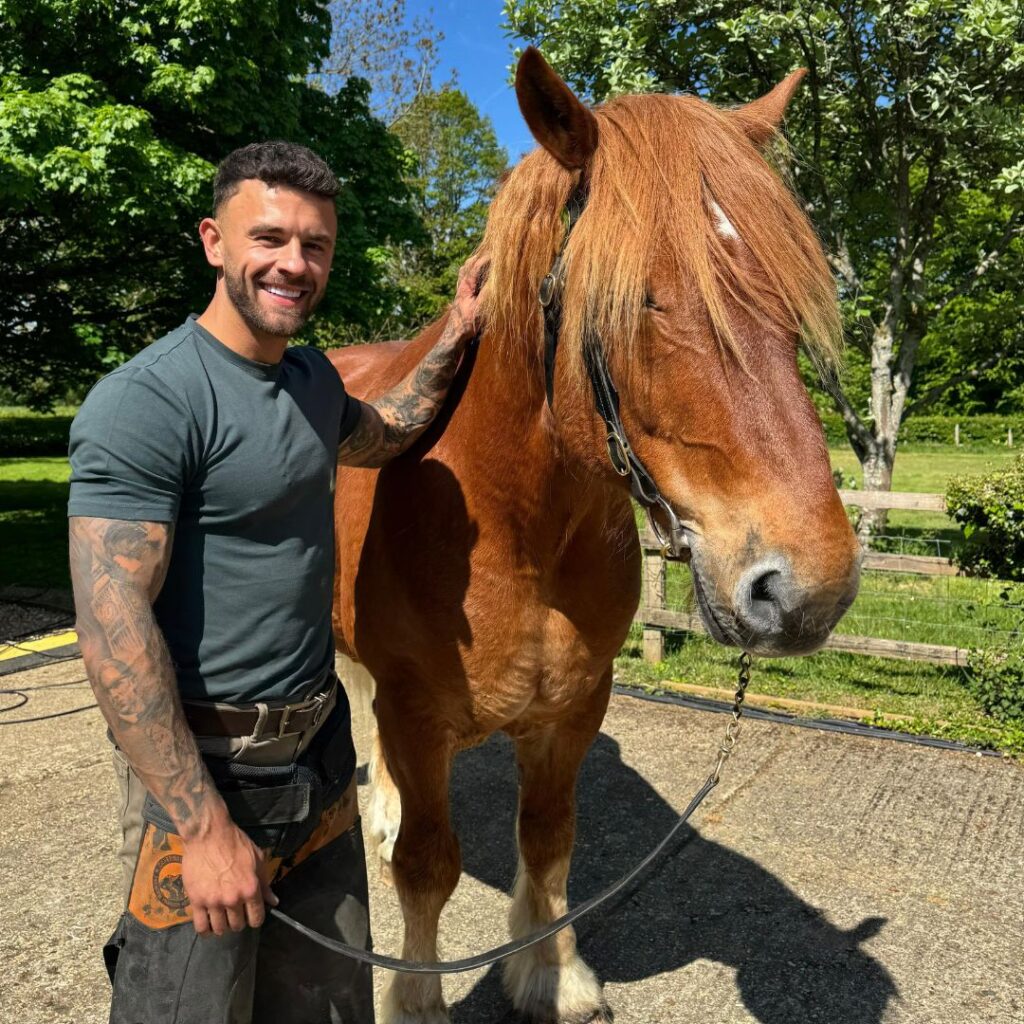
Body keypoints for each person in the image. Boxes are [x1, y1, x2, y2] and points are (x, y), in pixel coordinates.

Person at [67, 140, 485, 1024]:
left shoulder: (311, 383)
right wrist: (201, 826)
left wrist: (457, 327)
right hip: (212, 774)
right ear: (215, 241)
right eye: (271, 238)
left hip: (322, 763)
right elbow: (113, 631)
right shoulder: (149, 400)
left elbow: (393, 431)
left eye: (317, 245)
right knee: (185, 1011)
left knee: (328, 1011)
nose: (295, 264)